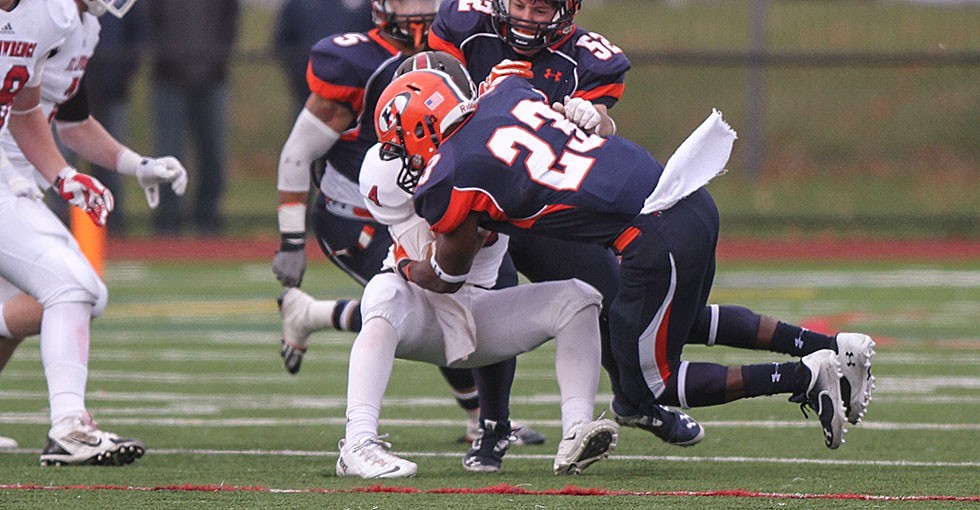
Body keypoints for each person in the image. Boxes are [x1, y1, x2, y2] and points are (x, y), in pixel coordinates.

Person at [373, 68, 877, 451]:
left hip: (654, 235)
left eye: (399, 146)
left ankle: (806, 377)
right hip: (689, 196)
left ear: (418, 130)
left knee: (652, 383)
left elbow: (447, 273)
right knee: (677, 323)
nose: (403, 160)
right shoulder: (504, 92)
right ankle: (836, 346)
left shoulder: (451, 173)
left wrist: (401, 263)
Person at [272, 1, 543, 449]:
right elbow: (298, 153)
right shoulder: (354, 61)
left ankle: (309, 314)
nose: (417, 9)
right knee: (430, 298)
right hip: (360, 212)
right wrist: (291, 238)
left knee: (469, 291)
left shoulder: (462, 48)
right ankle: (484, 418)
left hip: (428, 205)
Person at [338, 74, 618, 477]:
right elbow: (440, 273)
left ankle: (576, 430)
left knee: (580, 300)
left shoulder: (490, 152)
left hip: (484, 313)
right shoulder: (384, 176)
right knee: (382, 294)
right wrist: (404, 261)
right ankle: (358, 441)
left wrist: (592, 126)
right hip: (424, 311)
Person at [0, 0, 188, 466]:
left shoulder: (54, 17)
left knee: (73, 293)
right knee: (73, 287)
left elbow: (28, 113)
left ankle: (70, 426)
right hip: (9, 179)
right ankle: (69, 427)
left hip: (19, 178)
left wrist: (66, 177)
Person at [146, 0, 239, 235]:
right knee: (168, 152)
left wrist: (217, 58)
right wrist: (167, 55)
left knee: (213, 151)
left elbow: (231, 21)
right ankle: (168, 217)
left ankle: (208, 217)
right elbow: (149, 22)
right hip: (168, 77)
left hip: (212, 78)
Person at [83, 0, 148, 235]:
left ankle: (112, 223)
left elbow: (76, 127)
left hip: (109, 88)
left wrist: (138, 166)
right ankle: (59, 217)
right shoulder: (55, 17)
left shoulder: (91, 28)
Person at [273, 0, 374, 114]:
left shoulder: (365, 7)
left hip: (355, 99)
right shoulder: (298, 5)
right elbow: (282, 42)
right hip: (307, 93)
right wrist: (303, 75)